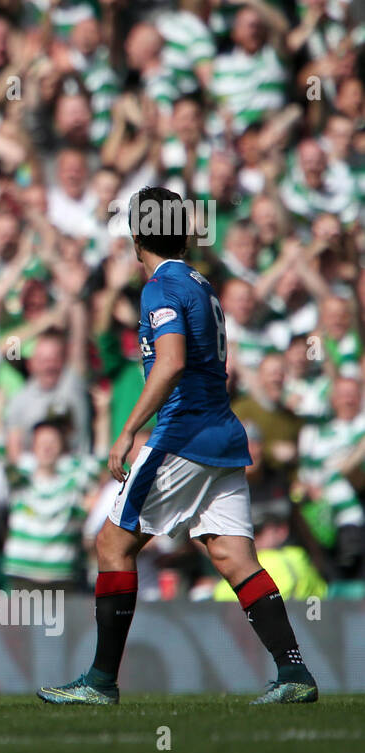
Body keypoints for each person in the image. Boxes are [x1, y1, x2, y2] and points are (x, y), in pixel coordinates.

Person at [39, 187, 317, 705]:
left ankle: (100, 681)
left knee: (112, 545)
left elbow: (170, 362)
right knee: (235, 557)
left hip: (184, 435)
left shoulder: (160, 287)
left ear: (136, 233)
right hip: (222, 436)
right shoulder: (202, 284)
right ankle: (294, 673)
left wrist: (126, 431)